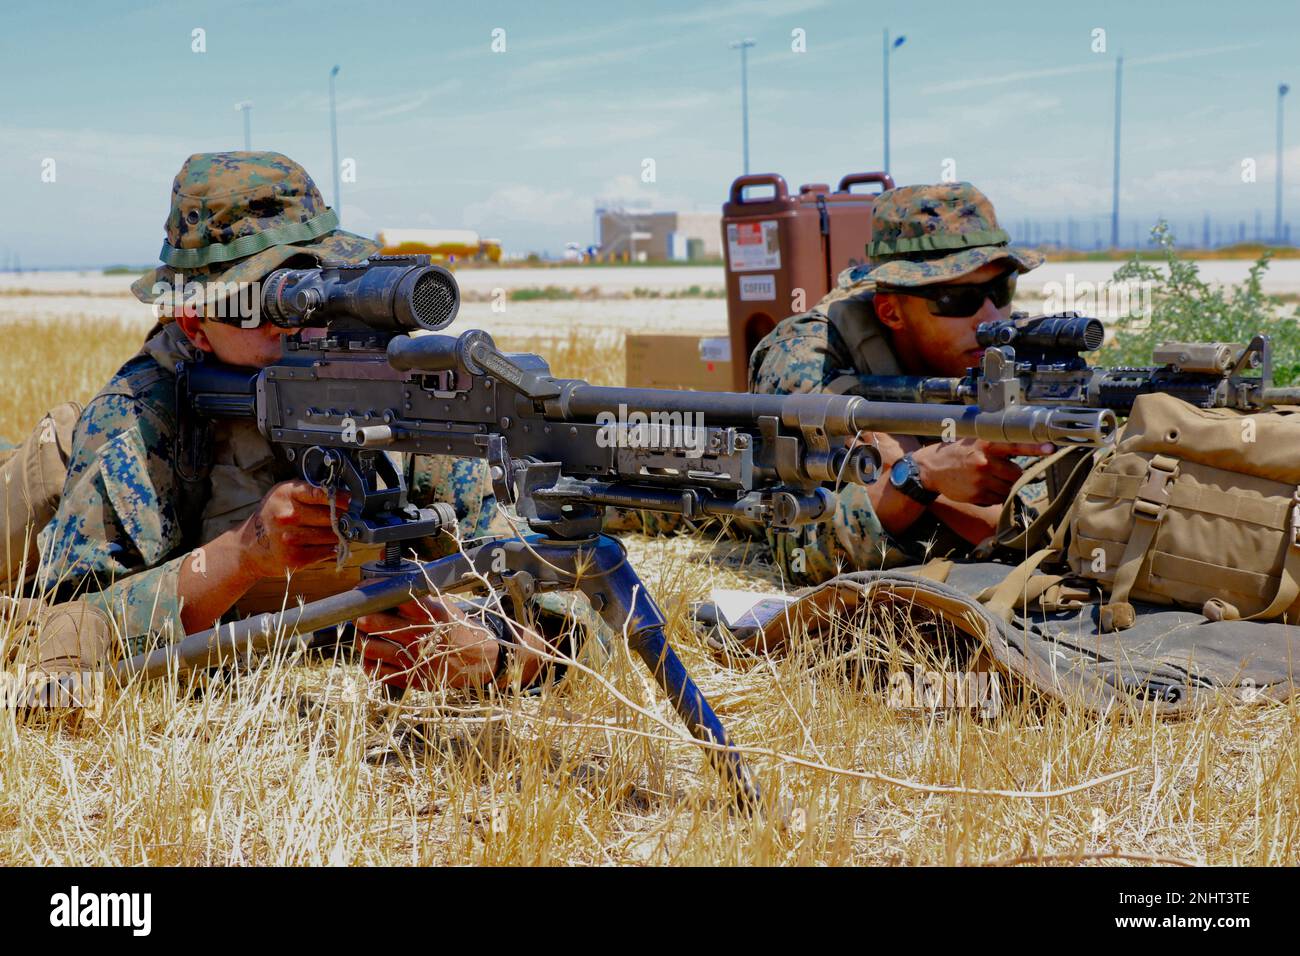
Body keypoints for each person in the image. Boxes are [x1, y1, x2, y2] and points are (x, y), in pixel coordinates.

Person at [15, 151, 559, 692]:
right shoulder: (136, 418)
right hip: (39, 492)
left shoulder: (396, 396)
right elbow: (63, 637)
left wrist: (499, 652)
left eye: (313, 288)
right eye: (257, 303)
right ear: (194, 322)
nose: (296, 325)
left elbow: (568, 590)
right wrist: (243, 555)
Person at [750, 182, 1053, 585]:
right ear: (891, 312)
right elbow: (803, 547)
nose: (991, 317)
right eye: (955, 300)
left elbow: (1030, 520)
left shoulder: (1004, 344)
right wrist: (920, 477)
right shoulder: (808, 360)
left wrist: (901, 467)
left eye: (1001, 289)